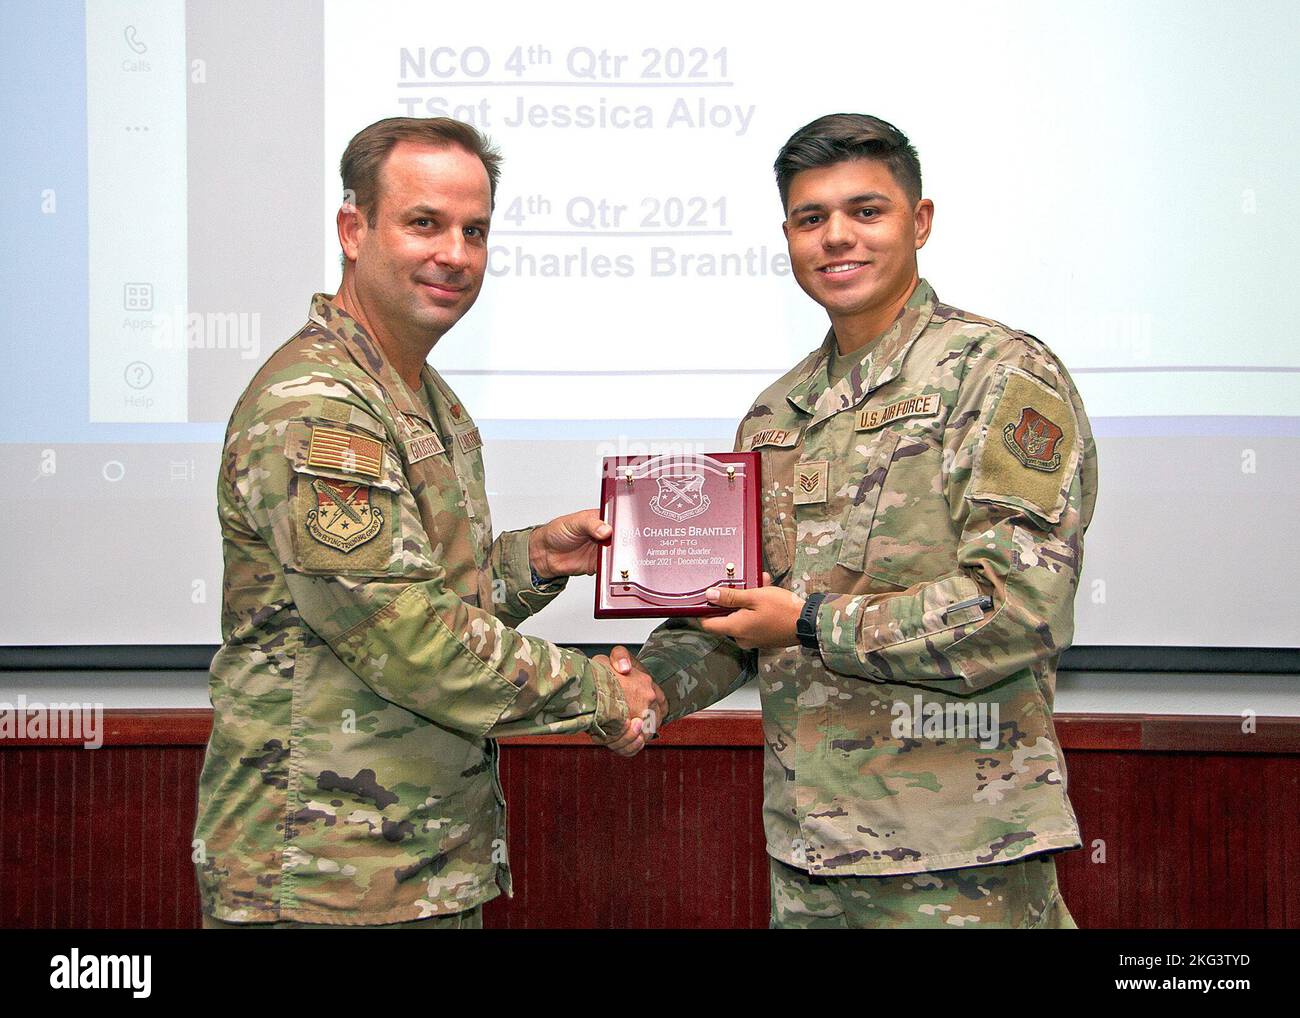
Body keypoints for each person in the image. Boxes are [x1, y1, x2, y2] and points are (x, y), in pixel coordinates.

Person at [607, 113, 1098, 928]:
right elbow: (739, 614)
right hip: (809, 860)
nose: (837, 238)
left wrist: (807, 622)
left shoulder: (998, 373)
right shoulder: (774, 416)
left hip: (960, 858)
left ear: (921, 221)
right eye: (811, 219)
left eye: (866, 211)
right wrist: (651, 689)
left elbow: (1020, 607)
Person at [194, 117, 662, 928]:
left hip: (413, 863)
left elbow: (427, 590)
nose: (455, 253)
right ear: (353, 230)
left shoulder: (418, 391)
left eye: (474, 230)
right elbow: (406, 635)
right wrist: (599, 693)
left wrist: (536, 562)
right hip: (324, 876)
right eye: (424, 223)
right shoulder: (320, 406)